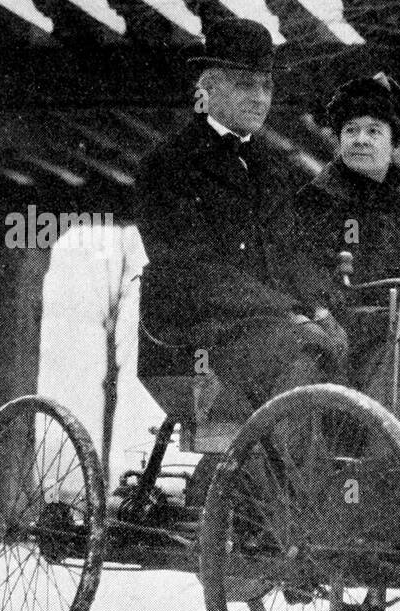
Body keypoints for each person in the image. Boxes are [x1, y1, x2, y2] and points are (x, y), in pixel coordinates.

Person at [134, 17, 347, 410]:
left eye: (266, 86)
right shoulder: (167, 165)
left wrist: (318, 307)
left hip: (264, 326)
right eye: (245, 85)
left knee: (360, 341)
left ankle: (324, 465)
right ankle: (279, 470)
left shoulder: (273, 168)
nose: (260, 98)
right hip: (196, 333)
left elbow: (291, 254)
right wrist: (289, 314)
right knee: (305, 352)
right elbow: (195, 269)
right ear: (209, 88)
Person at [288, 73, 400, 435]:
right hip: (339, 334)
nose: (361, 140)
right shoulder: (313, 204)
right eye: (351, 131)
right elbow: (299, 271)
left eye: (374, 131)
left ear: (393, 141)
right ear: (338, 139)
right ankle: (383, 454)